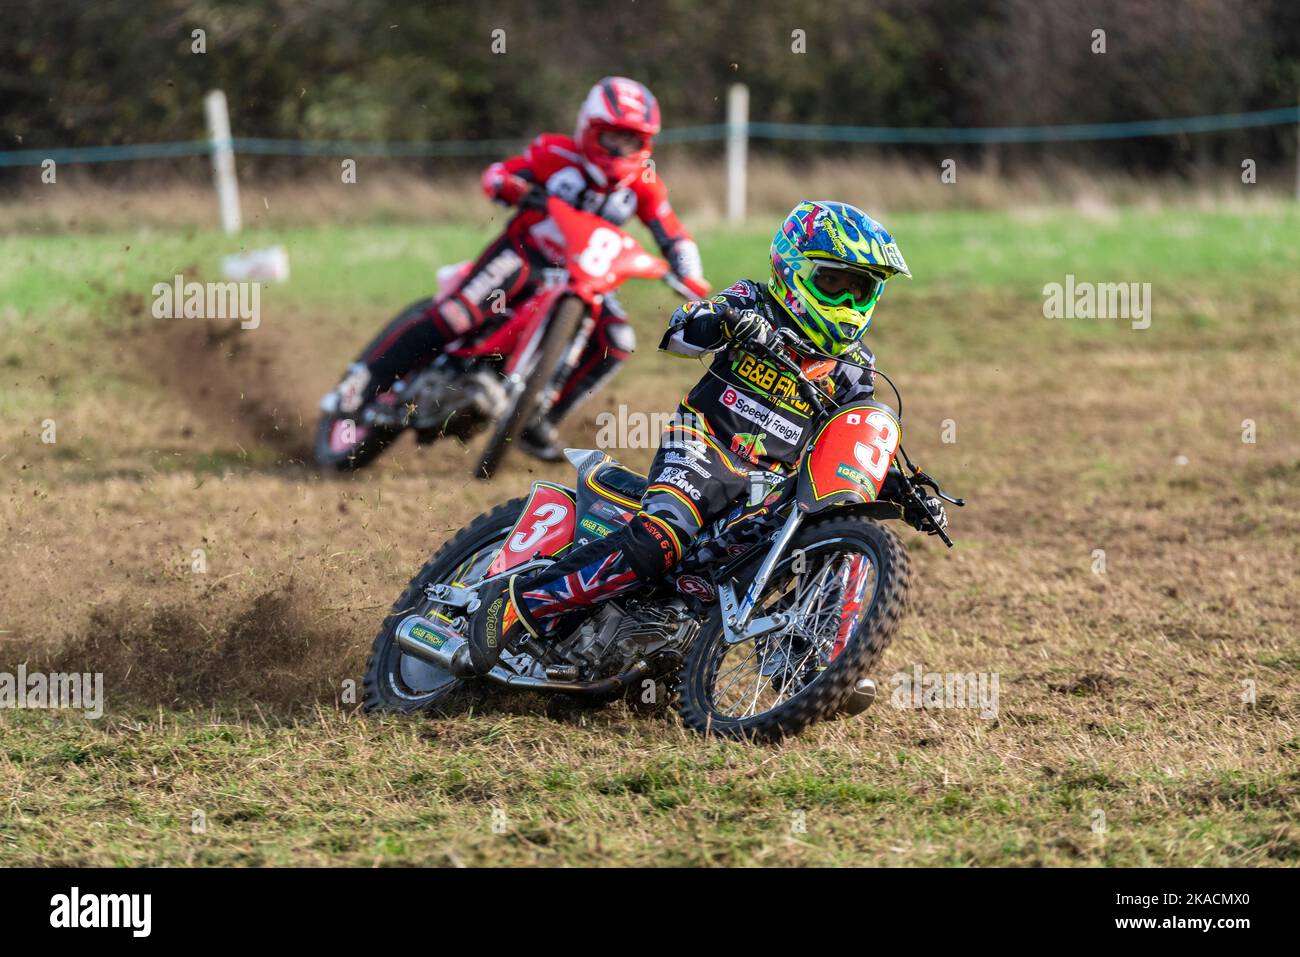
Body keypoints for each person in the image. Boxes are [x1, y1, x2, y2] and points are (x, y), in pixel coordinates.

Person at [465, 199, 948, 674]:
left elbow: (844, 448)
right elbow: (681, 333)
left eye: (858, 291)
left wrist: (897, 490)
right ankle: (517, 603)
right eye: (833, 283)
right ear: (794, 269)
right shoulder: (753, 301)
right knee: (662, 540)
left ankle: (813, 664)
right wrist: (727, 323)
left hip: (771, 485)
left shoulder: (856, 371)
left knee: (830, 537)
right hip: (702, 446)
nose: (845, 302)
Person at [320, 76, 707, 461]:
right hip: (525, 255)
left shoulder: (645, 184)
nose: (622, 148)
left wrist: (690, 274)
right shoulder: (555, 153)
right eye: (613, 136)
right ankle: (363, 380)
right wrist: (510, 185)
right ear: (589, 129)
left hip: (588, 277)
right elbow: (501, 174)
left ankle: (538, 416)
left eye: (633, 139)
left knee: (618, 342)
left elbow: (673, 234)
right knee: (457, 315)